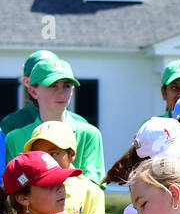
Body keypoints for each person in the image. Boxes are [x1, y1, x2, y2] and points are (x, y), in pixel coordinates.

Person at [4, 57, 105, 186]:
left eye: (67, 86)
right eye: (53, 86)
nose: (61, 93)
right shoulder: (15, 138)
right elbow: (14, 184)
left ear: (73, 90)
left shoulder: (89, 134)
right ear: (33, 91)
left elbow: (94, 185)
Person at [0, 51, 89, 137]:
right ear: (27, 82)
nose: (61, 92)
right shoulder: (11, 124)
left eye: (66, 85)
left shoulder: (82, 126)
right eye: (52, 84)